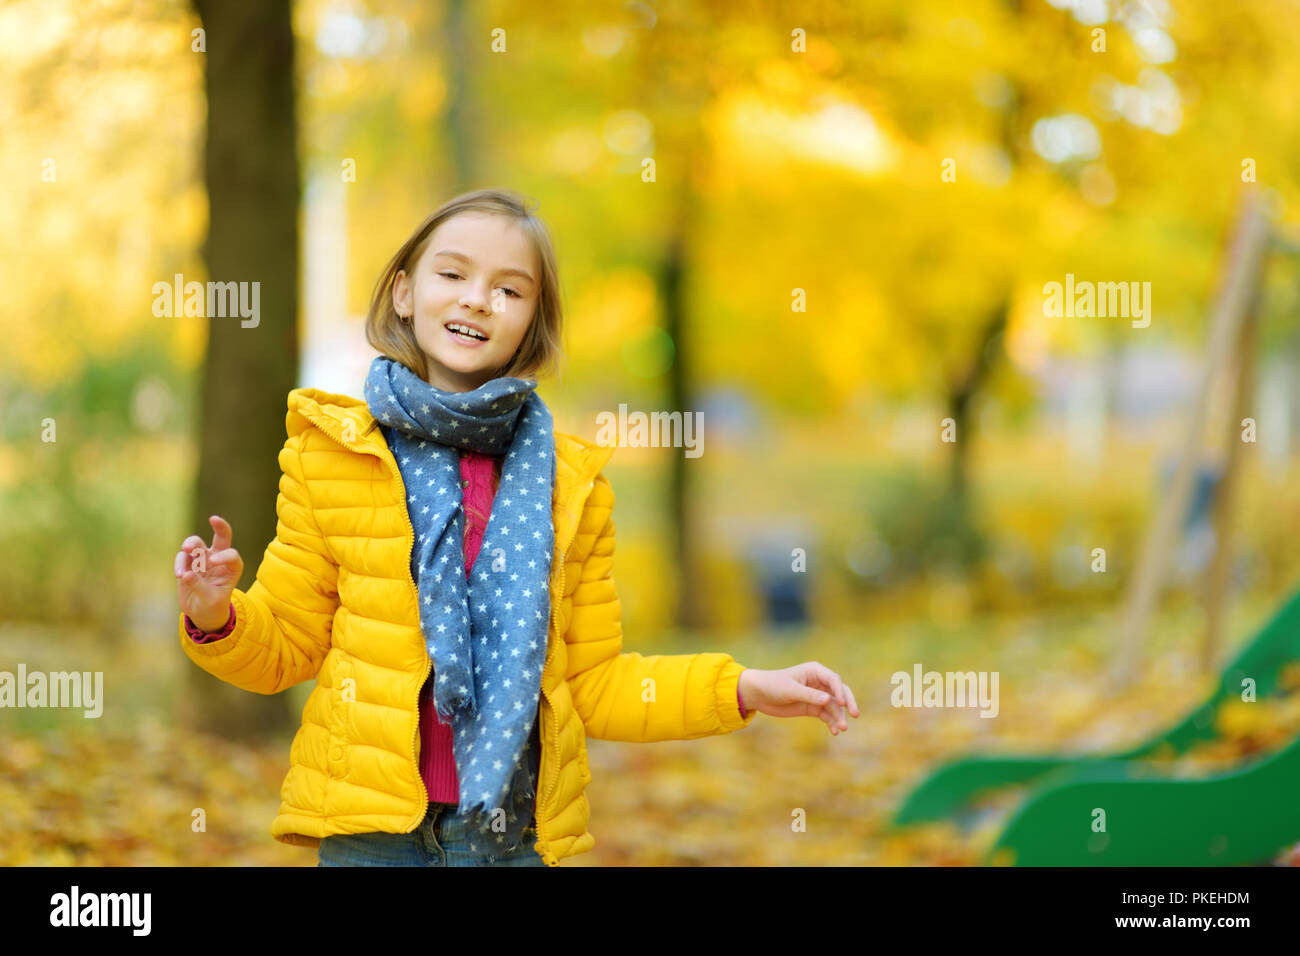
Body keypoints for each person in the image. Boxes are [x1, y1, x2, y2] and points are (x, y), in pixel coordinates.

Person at [174, 188, 858, 867]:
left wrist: (742, 687)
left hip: (507, 839)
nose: (477, 298)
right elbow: (287, 647)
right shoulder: (334, 457)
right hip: (370, 837)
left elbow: (593, 684)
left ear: (532, 325)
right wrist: (216, 616)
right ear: (405, 293)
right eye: (453, 273)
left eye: (509, 290)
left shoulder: (570, 486)